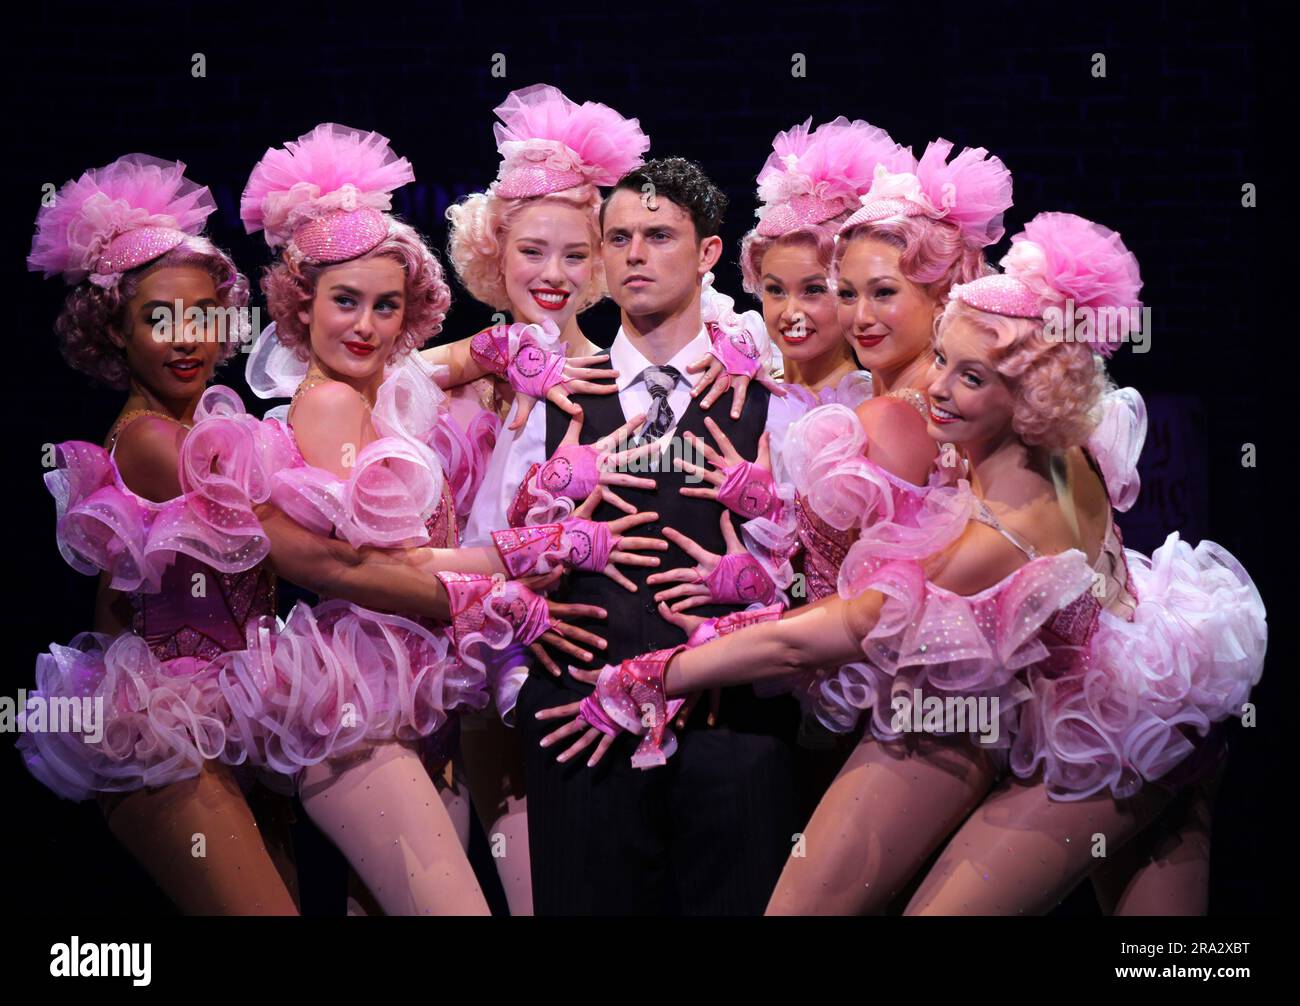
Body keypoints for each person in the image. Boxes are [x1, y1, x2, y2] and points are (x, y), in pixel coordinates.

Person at [541, 211, 1266, 915]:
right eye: (945, 361)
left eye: (971, 377)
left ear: (1028, 395)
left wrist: (656, 672)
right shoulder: (1036, 453)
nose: (941, 388)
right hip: (1144, 699)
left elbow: (830, 631)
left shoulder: (1001, 531)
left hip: (1108, 737)